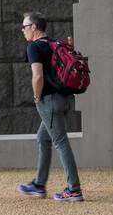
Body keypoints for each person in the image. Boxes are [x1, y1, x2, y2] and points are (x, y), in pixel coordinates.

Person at [18, 12, 83, 202]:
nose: (23, 30)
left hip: (49, 101)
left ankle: (74, 189)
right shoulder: (55, 44)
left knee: (60, 142)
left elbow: (37, 76)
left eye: (24, 27)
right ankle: (39, 184)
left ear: (34, 27)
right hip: (64, 98)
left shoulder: (34, 48)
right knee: (43, 137)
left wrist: (37, 97)